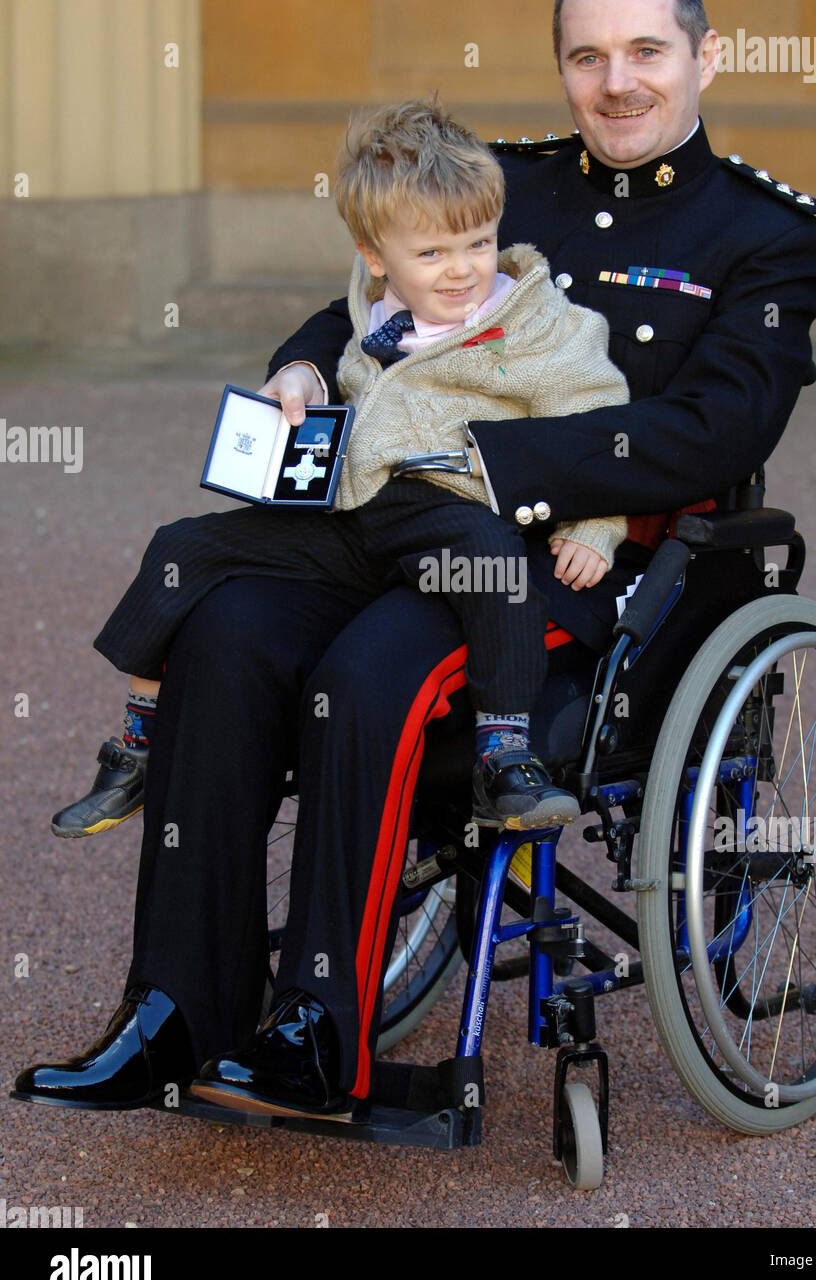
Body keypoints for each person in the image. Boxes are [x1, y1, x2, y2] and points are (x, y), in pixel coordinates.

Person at [13, 0, 816, 1121]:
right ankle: (173, 1013)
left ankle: (314, 1033)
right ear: (562, 67)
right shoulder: (506, 181)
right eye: (588, 56)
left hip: (581, 563)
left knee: (372, 669)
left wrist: (488, 462)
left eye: (646, 52)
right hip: (390, 523)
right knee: (225, 630)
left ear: (705, 57)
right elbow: (361, 299)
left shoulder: (767, 234)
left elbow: (716, 430)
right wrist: (303, 367)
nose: (617, 82)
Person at [49, 97, 630, 837]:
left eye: (479, 243)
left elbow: (600, 423)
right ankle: (139, 742)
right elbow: (328, 359)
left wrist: (596, 524)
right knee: (180, 547)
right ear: (376, 259)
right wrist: (304, 375)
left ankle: (504, 757)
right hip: (349, 515)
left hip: (448, 509)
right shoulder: (372, 313)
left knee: (496, 566)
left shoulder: (534, 323)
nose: (462, 270)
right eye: (432, 254)